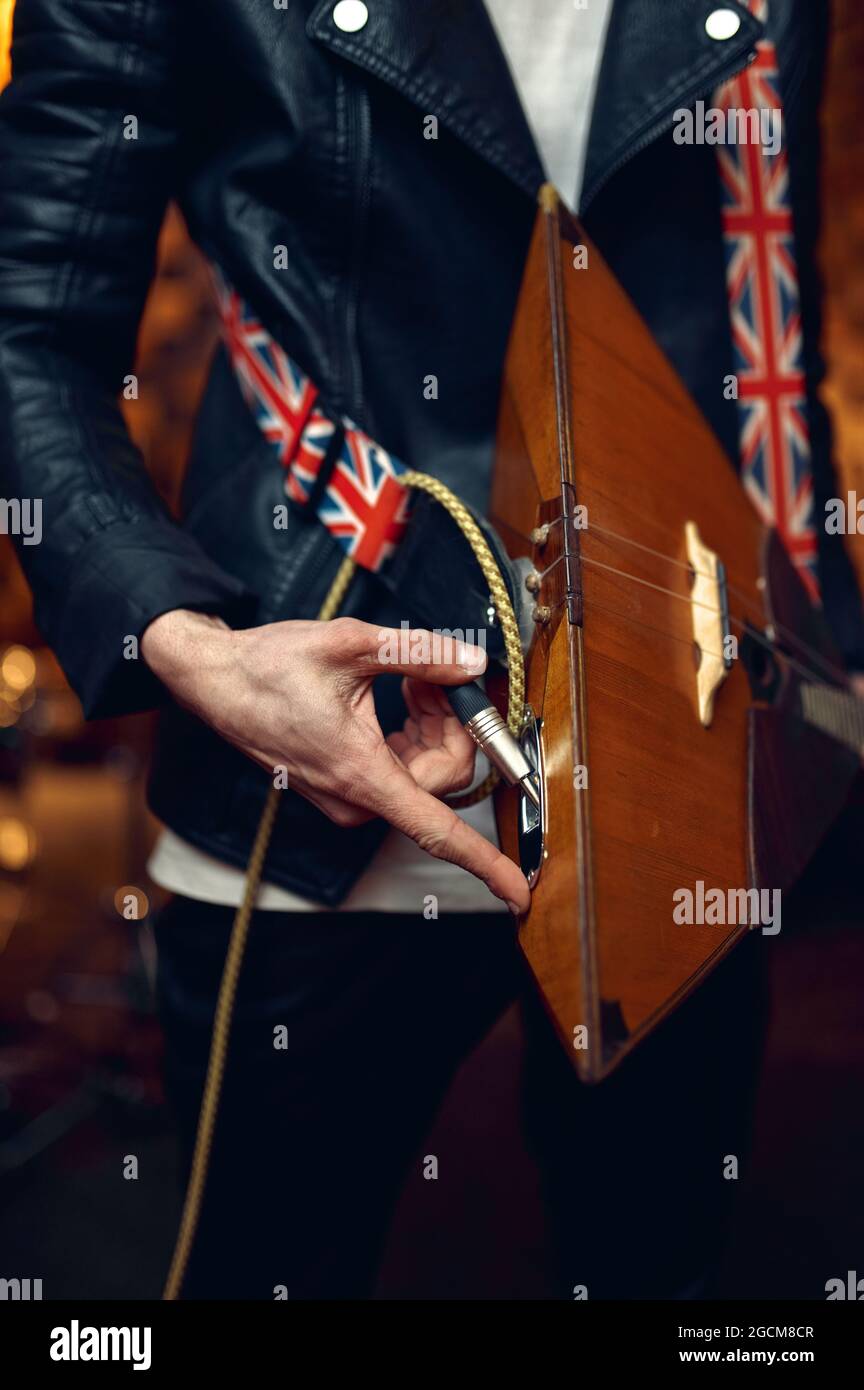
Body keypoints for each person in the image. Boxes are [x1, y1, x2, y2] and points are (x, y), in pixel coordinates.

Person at [0, 0, 859, 1299]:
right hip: (322, 731)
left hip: (684, 725)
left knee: (663, 1263)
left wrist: (817, 657)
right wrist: (194, 647)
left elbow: (761, 305)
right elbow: (30, 327)